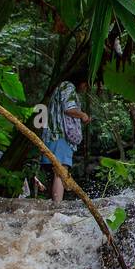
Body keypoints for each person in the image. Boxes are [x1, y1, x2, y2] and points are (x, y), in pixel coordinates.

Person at [41, 72, 91, 203]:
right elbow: (69, 109)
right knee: (61, 170)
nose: (85, 89)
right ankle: (57, 206)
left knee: (57, 171)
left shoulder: (62, 87)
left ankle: (54, 203)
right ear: (82, 82)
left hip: (54, 135)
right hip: (60, 135)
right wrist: (83, 115)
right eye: (86, 85)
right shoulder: (68, 87)